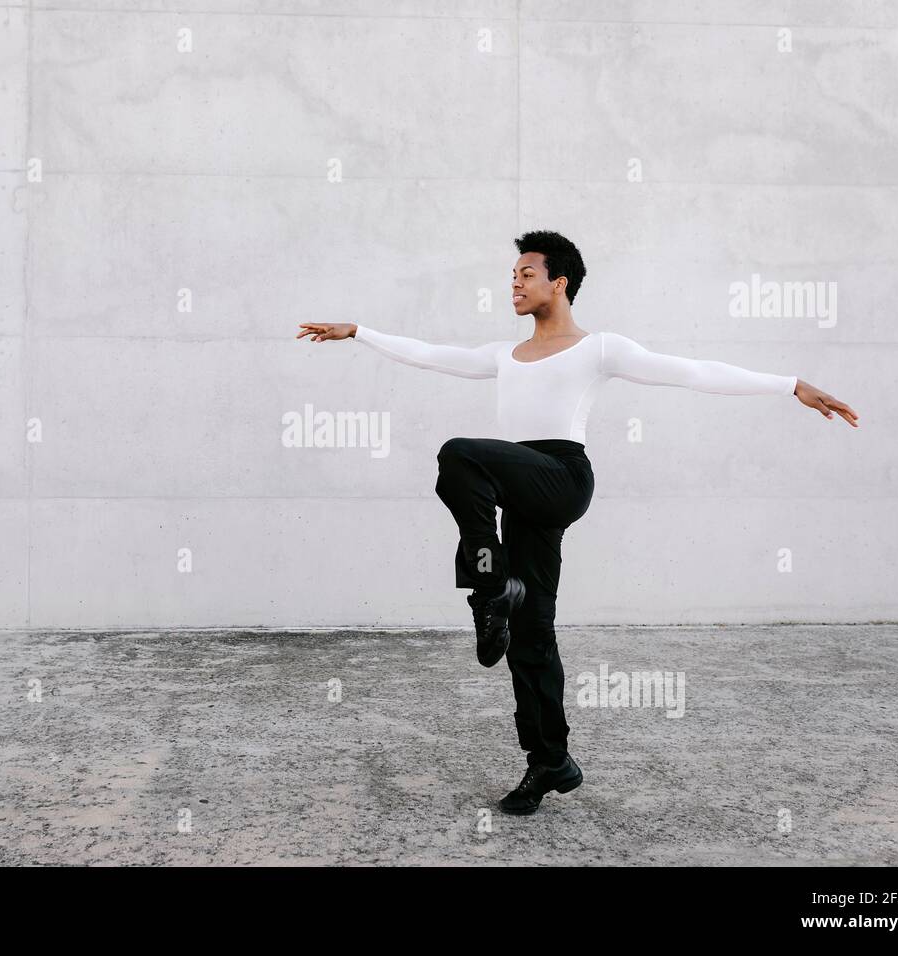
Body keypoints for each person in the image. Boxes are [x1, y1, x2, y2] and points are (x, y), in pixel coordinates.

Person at [296, 230, 859, 815]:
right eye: (512, 275)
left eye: (526, 274)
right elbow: (431, 353)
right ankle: (548, 762)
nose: (514, 283)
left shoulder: (599, 348)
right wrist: (359, 332)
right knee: (531, 635)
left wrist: (789, 384)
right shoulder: (501, 355)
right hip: (519, 494)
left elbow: (690, 370)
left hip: (561, 477)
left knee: (458, 454)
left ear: (558, 283)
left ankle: (488, 591)